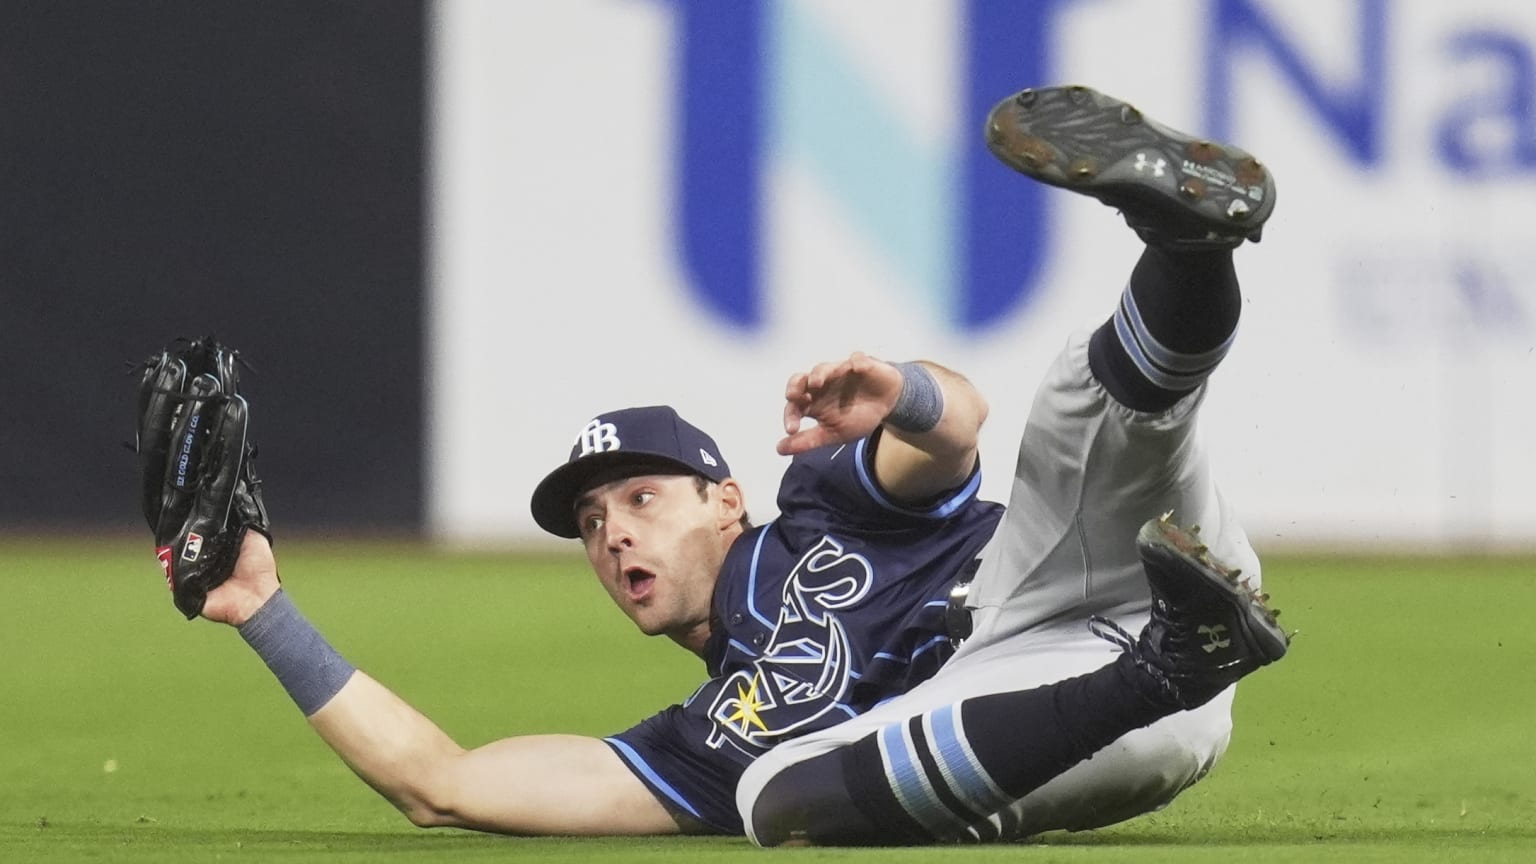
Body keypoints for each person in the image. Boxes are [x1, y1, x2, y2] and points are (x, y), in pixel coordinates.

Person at [192, 84, 1286, 843]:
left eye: (639, 495)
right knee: (774, 797)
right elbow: (444, 786)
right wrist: (262, 607)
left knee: (1070, 401)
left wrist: (899, 389)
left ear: (727, 498)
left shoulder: (821, 505)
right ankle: (1172, 665)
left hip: (1093, 576)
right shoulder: (701, 743)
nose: (611, 529)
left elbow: (957, 426)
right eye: (587, 522)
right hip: (1096, 714)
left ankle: (1189, 244)